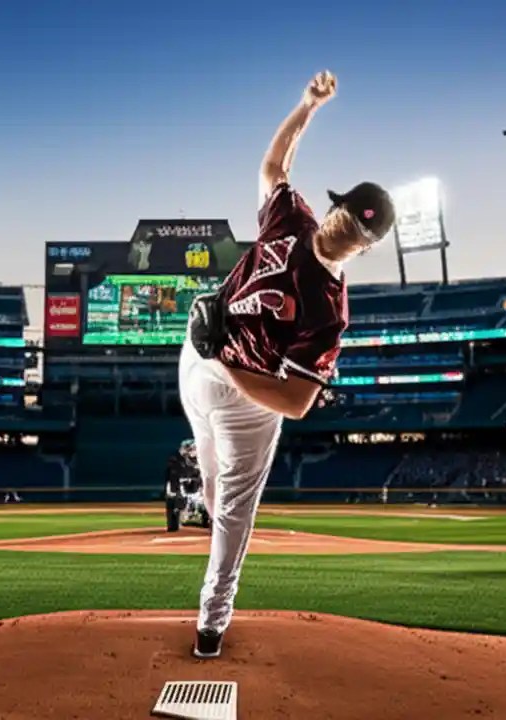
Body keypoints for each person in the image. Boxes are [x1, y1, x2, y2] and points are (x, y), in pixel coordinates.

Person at [179, 70, 396, 659]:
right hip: (196, 364)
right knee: (209, 482)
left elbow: (295, 402)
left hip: (248, 396)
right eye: (343, 211)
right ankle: (204, 487)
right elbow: (274, 164)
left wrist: (223, 358)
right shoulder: (291, 219)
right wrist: (306, 107)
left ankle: (211, 621)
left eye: (352, 226)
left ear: (363, 247)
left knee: (232, 513)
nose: (339, 222)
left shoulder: (329, 311)